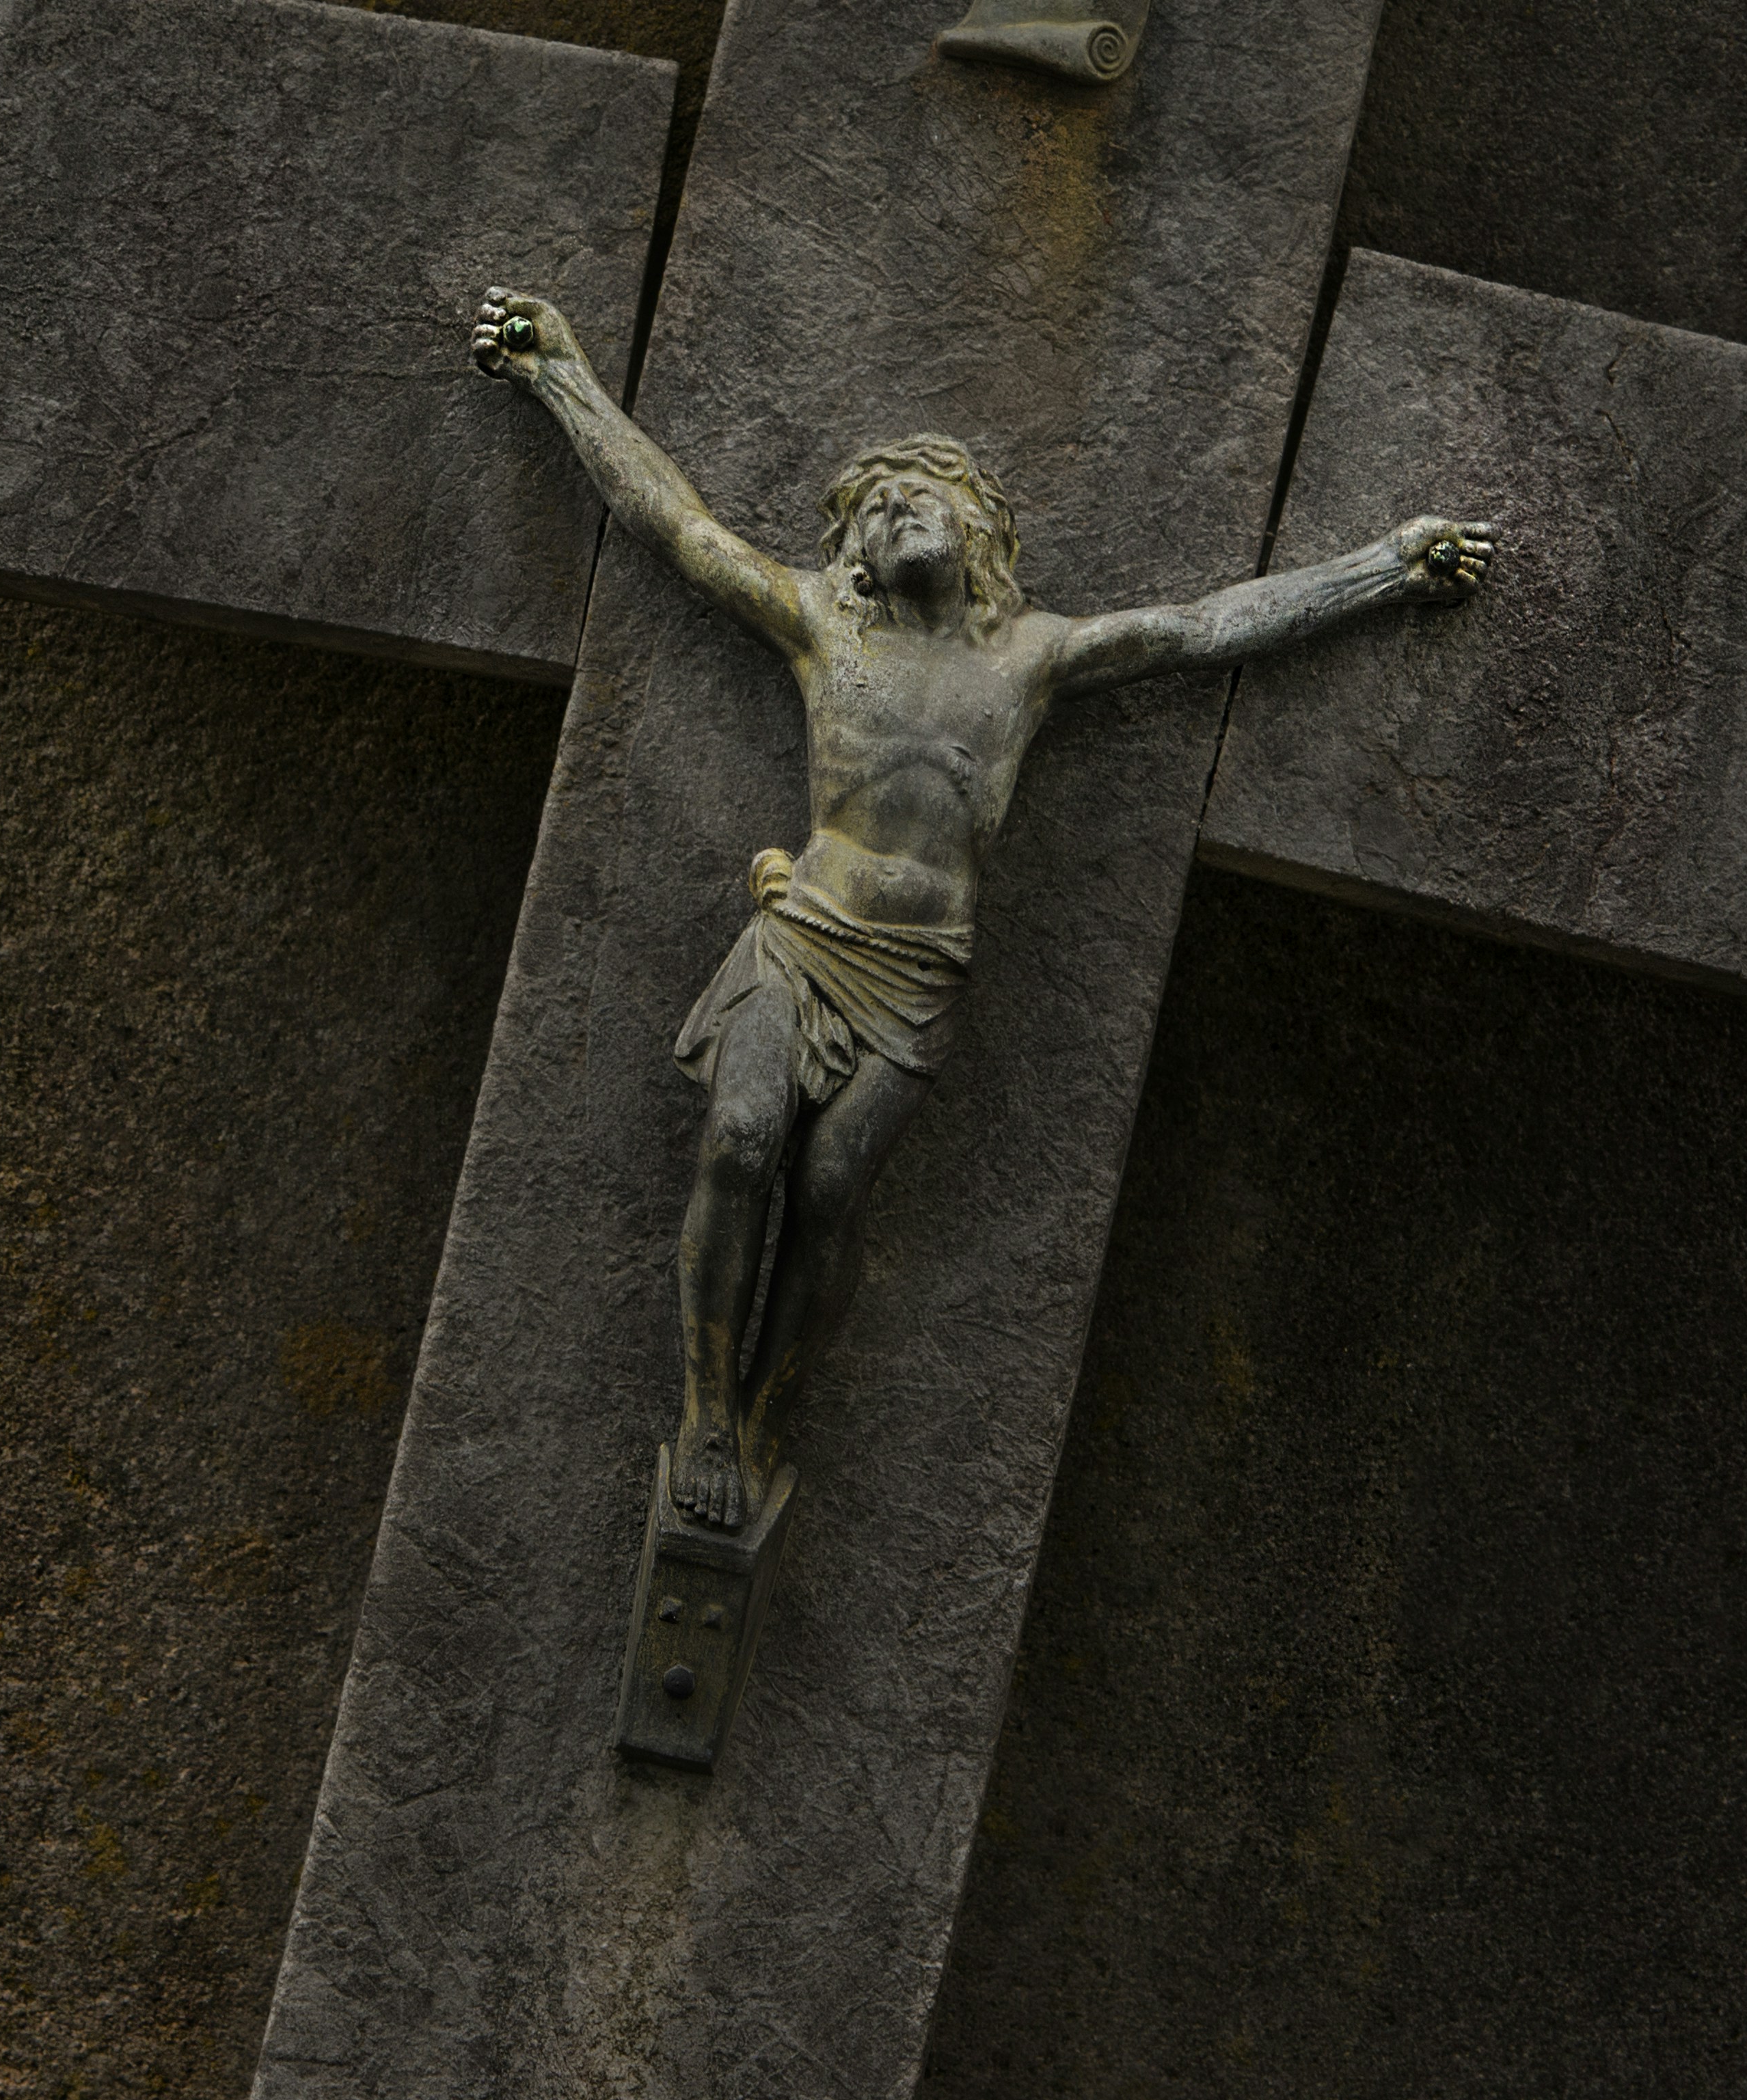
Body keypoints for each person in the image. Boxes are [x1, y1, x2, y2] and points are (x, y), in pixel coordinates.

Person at [472, 286, 1493, 1530]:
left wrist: (1385, 568)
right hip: (800, 940)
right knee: (738, 1139)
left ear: (978, 529)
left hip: (916, 976)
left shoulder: (1031, 657)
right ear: (852, 554)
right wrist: (560, 375)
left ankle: (765, 1412)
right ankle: (702, 1410)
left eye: (922, 497)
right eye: (876, 508)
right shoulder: (820, 626)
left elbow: (1202, 627)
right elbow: (675, 524)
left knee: (831, 1194)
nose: (898, 513)